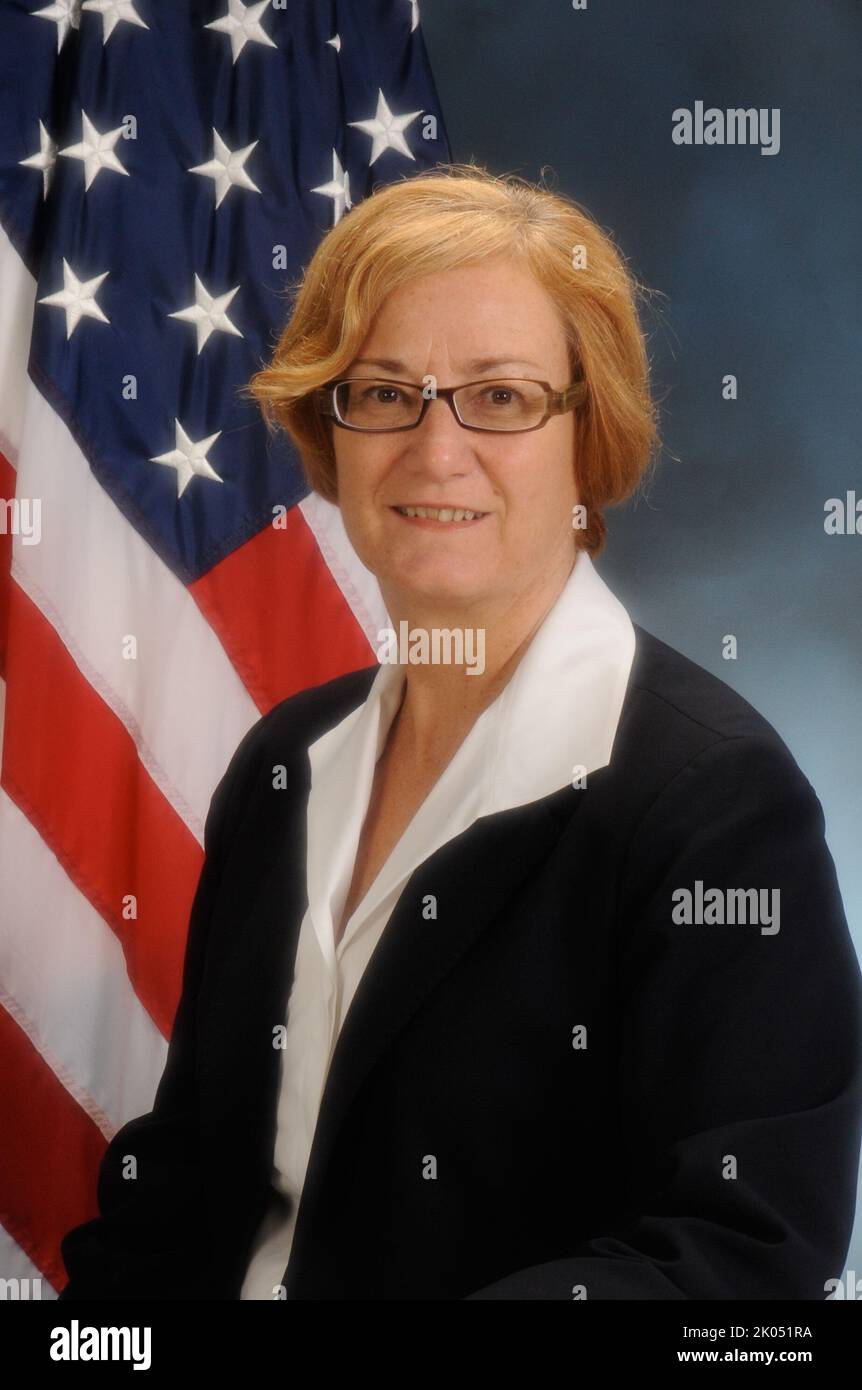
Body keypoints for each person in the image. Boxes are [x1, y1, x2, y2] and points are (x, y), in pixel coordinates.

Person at [59, 163, 862, 1300]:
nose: (435, 452)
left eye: (499, 396)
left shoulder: (715, 806)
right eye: (385, 392)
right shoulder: (286, 762)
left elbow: (741, 1258)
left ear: (590, 435)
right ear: (326, 428)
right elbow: (188, 1179)